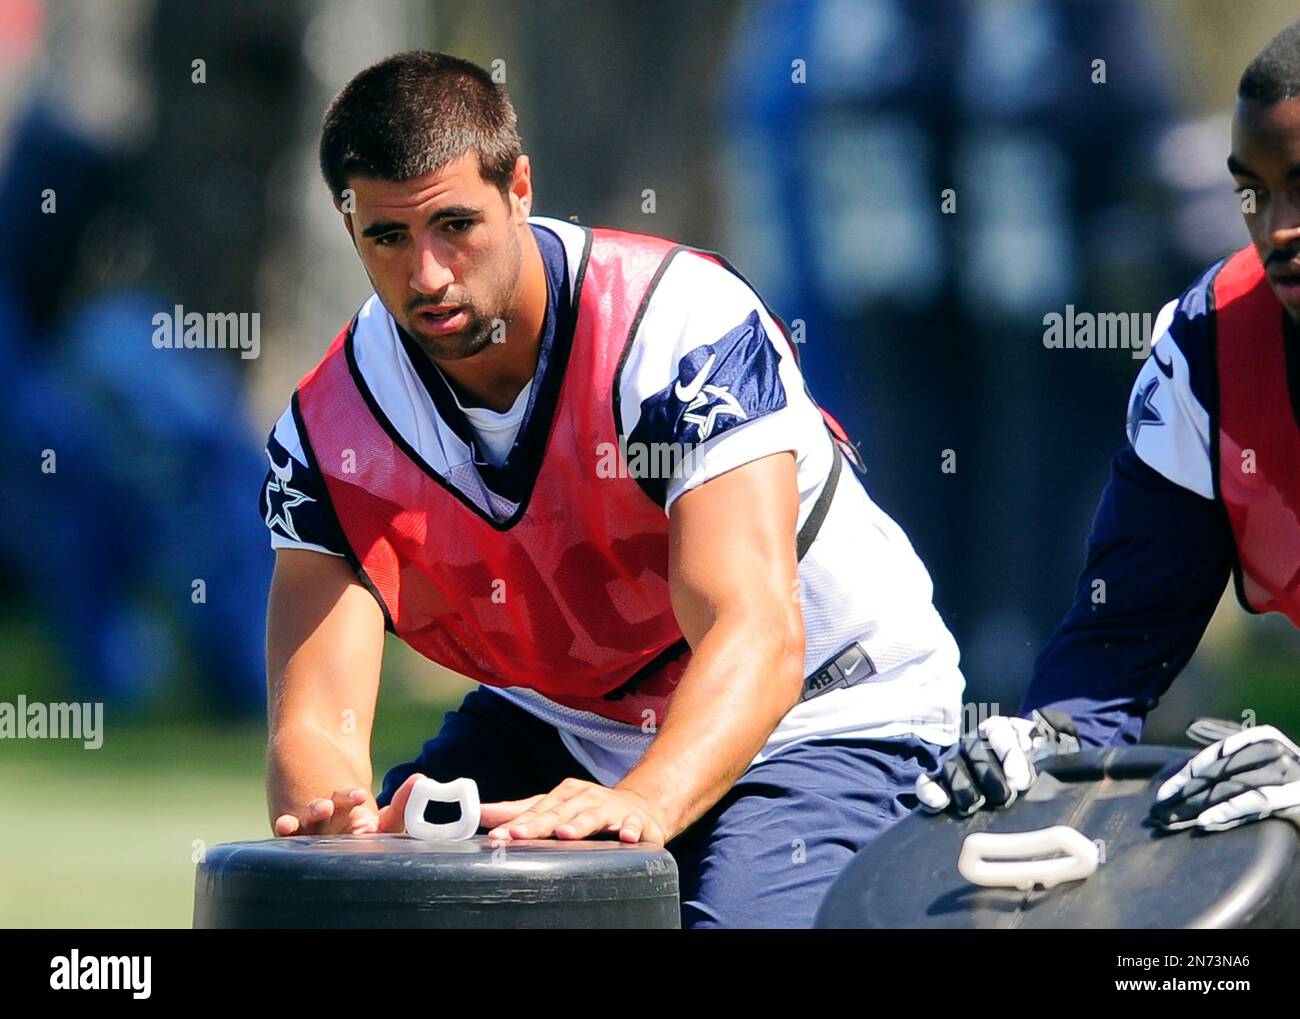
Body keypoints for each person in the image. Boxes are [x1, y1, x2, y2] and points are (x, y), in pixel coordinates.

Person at [261, 51, 965, 928]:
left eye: (455, 224)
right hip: (564, 722)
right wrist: (342, 822)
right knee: (348, 914)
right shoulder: (332, 430)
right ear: (349, 223)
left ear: (519, 188)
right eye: (389, 237)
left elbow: (760, 634)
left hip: (827, 711)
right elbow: (315, 724)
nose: (429, 275)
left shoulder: (677, 332)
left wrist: (644, 801)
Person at [917, 20, 1300, 835]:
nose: (1277, 229)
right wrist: (1044, 738)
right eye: (1255, 192)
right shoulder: (1211, 347)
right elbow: (1124, 633)